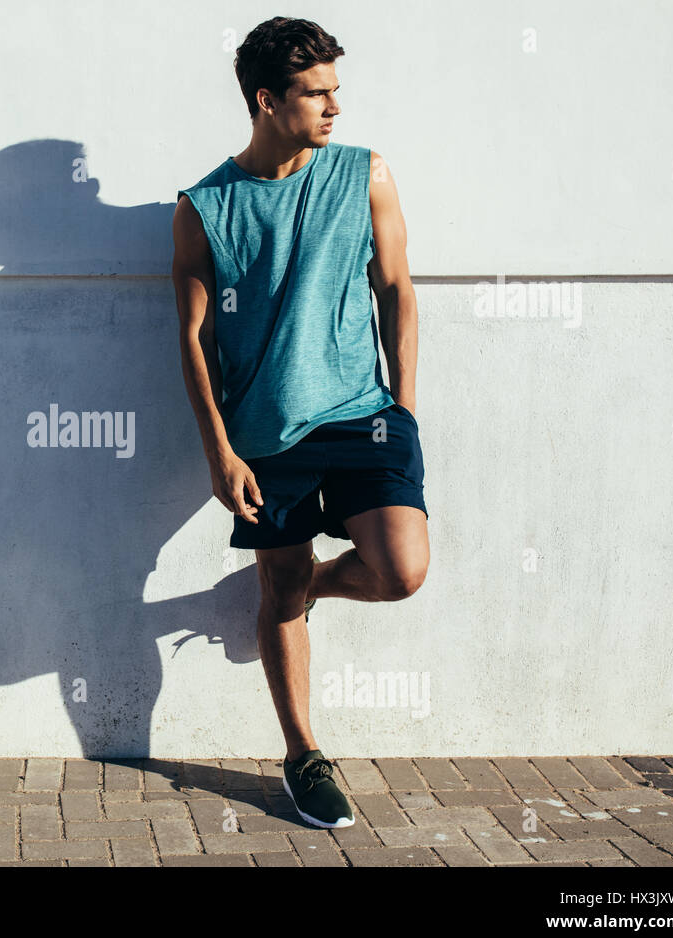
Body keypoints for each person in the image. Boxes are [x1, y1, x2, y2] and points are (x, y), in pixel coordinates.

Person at [170, 16, 429, 829]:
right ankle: (303, 754)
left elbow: (397, 291)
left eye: (335, 91)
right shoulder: (205, 208)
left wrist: (404, 413)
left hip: (362, 416)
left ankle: (316, 585)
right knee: (277, 590)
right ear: (266, 99)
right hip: (264, 433)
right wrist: (218, 453)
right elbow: (192, 338)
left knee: (401, 570)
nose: (334, 109)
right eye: (316, 94)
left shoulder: (366, 175)